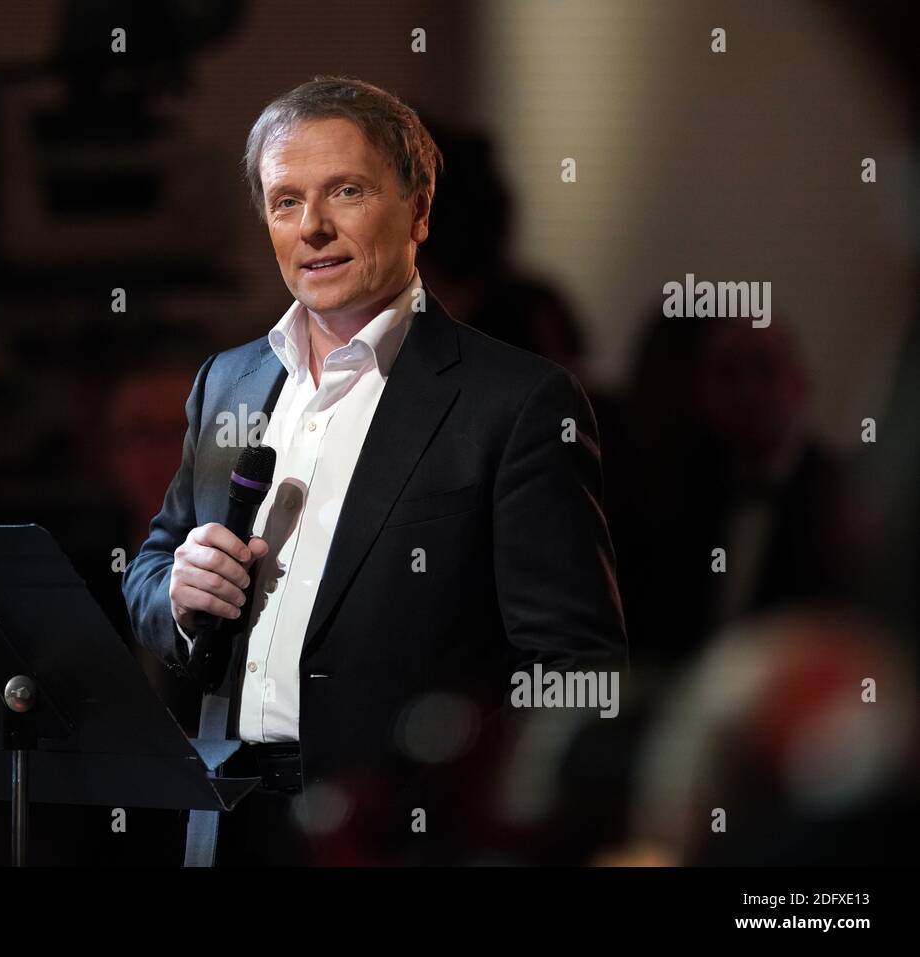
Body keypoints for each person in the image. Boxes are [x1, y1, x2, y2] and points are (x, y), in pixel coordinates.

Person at [122, 76, 627, 865]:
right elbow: (152, 568)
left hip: (396, 835)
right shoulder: (226, 381)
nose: (313, 227)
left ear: (420, 207)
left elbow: (572, 670)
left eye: (346, 191)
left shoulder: (515, 402)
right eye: (285, 202)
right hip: (224, 824)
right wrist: (179, 597)